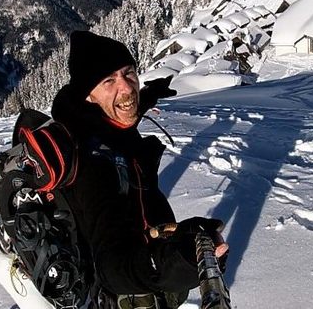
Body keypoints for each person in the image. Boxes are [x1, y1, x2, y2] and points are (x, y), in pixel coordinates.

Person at [51, 30, 227, 309]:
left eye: (128, 72)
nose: (127, 87)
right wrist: (175, 261)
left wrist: (150, 94)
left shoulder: (101, 122)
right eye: (108, 80)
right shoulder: (92, 161)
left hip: (149, 248)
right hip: (125, 295)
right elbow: (112, 267)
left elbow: (128, 105)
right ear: (88, 96)